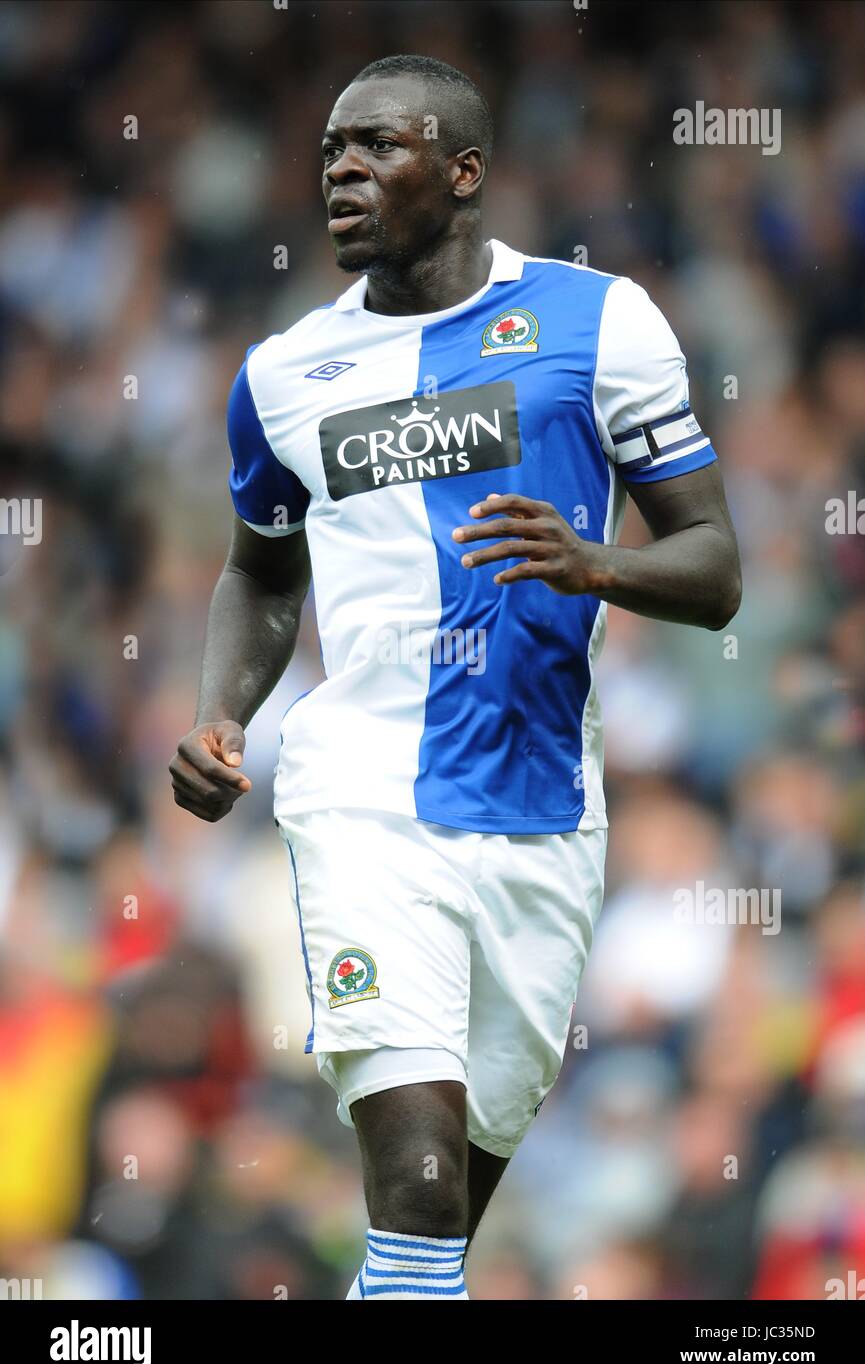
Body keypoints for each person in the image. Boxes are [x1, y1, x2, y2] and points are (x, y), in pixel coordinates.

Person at [170, 54, 741, 1300]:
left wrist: (594, 563)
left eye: (377, 146)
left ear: (465, 171)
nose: (342, 170)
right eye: (331, 151)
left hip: (544, 810)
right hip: (364, 793)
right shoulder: (283, 376)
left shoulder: (601, 323)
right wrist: (221, 716)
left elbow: (713, 568)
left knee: (432, 1235)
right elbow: (260, 572)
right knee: (418, 1184)